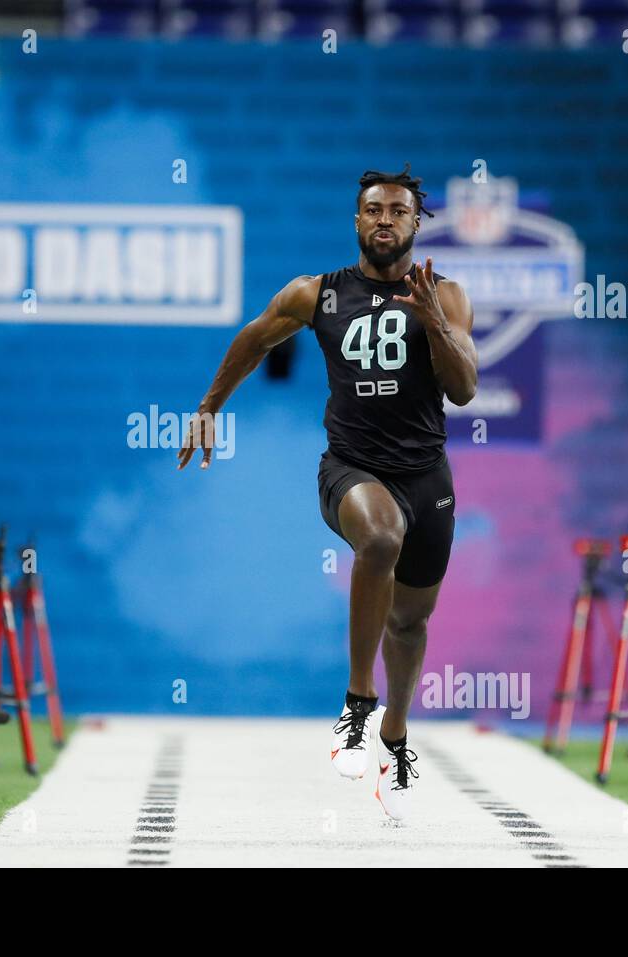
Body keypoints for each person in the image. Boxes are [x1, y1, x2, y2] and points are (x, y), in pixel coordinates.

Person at [177, 167, 478, 820]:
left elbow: (464, 390)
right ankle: (357, 703)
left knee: (410, 620)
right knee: (377, 537)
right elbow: (255, 339)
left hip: (428, 479)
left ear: (416, 223)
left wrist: (436, 324)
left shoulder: (445, 294)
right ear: (357, 220)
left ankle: (395, 730)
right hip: (350, 469)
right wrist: (208, 406)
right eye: (372, 209)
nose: (384, 219)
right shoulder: (318, 294)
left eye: (398, 210)